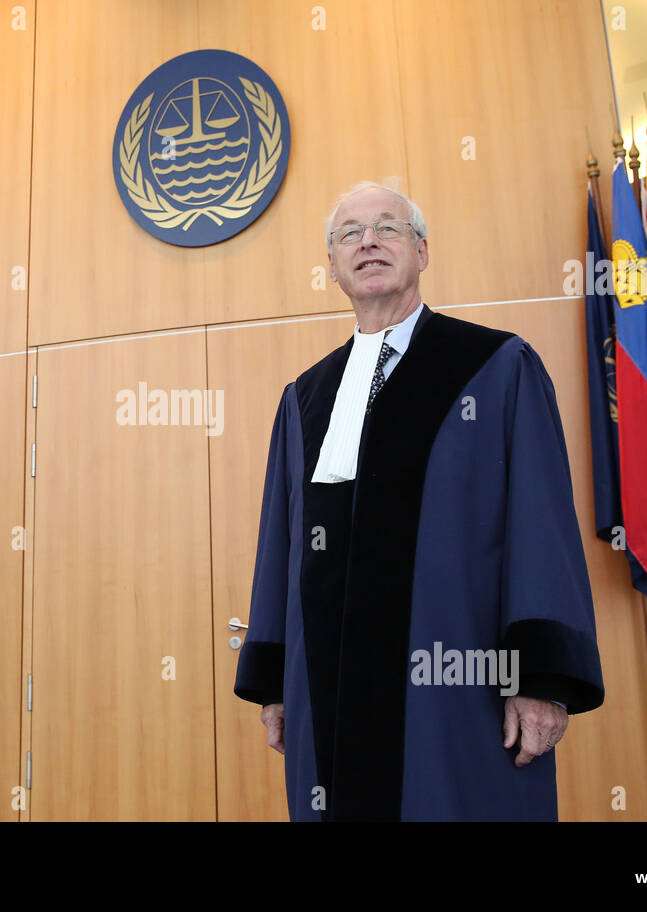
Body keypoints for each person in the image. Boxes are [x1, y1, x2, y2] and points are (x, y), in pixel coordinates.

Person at [233, 181, 605, 821]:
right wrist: (275, 682)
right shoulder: (306, 398)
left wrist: (542, 679)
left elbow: (541, 529)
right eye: (350, 233)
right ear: (332, 266)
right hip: (330, 694)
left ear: (423, 251)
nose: (368, 241)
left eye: (388, 227)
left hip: (457, 687)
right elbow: (280, 549)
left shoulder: (497, 365)